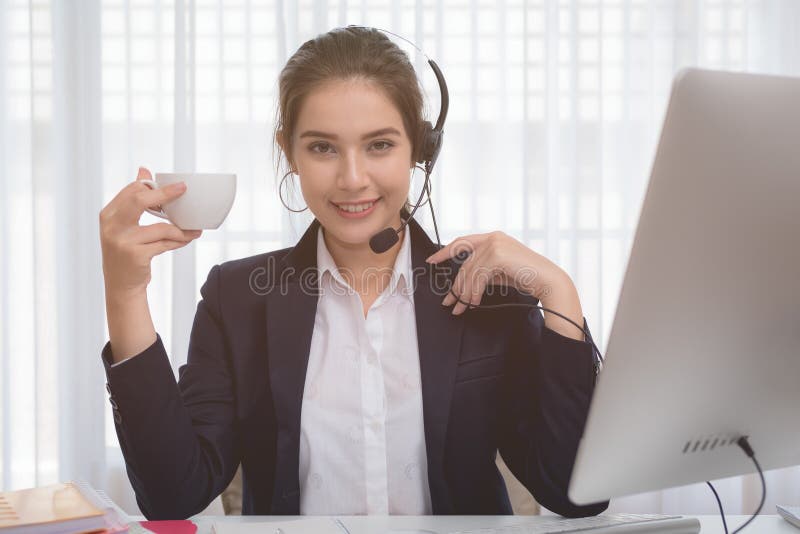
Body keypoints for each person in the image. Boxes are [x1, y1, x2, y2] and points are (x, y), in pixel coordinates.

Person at [98, 26, 608, 520]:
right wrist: (125, 292)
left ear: (420, 149)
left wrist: (558, 290)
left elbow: (575, 494)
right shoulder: (235, 299)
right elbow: (174, 496)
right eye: (322, 147)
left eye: (379, 145)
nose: (352, 178)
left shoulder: (483, 291)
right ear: (289, 152)